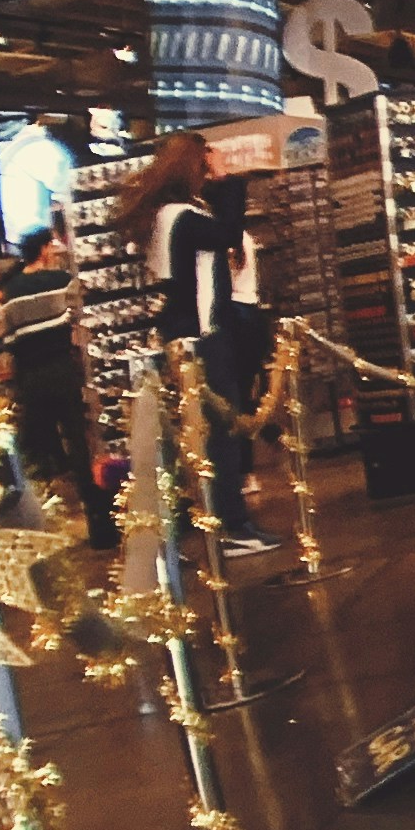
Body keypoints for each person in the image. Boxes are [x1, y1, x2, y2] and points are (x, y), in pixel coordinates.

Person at [125, 134, 275, 548]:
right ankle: (230, 525)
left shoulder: (172, 214)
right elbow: (226, 234)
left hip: (193, 332)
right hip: (202, 335)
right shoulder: (180, 217)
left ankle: (220, 519)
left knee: (211, 433)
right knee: (220, 432)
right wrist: (228, 184)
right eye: (212, 156)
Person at [0, 219, 112, 549]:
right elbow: (78, 316)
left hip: (32, 378)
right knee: (79, 445)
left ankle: (40, 530)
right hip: (63, 371)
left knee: (38, 451)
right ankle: (100, 527)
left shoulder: (10, 292)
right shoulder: (61, 281)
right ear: (46, 249)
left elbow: (11, 341)